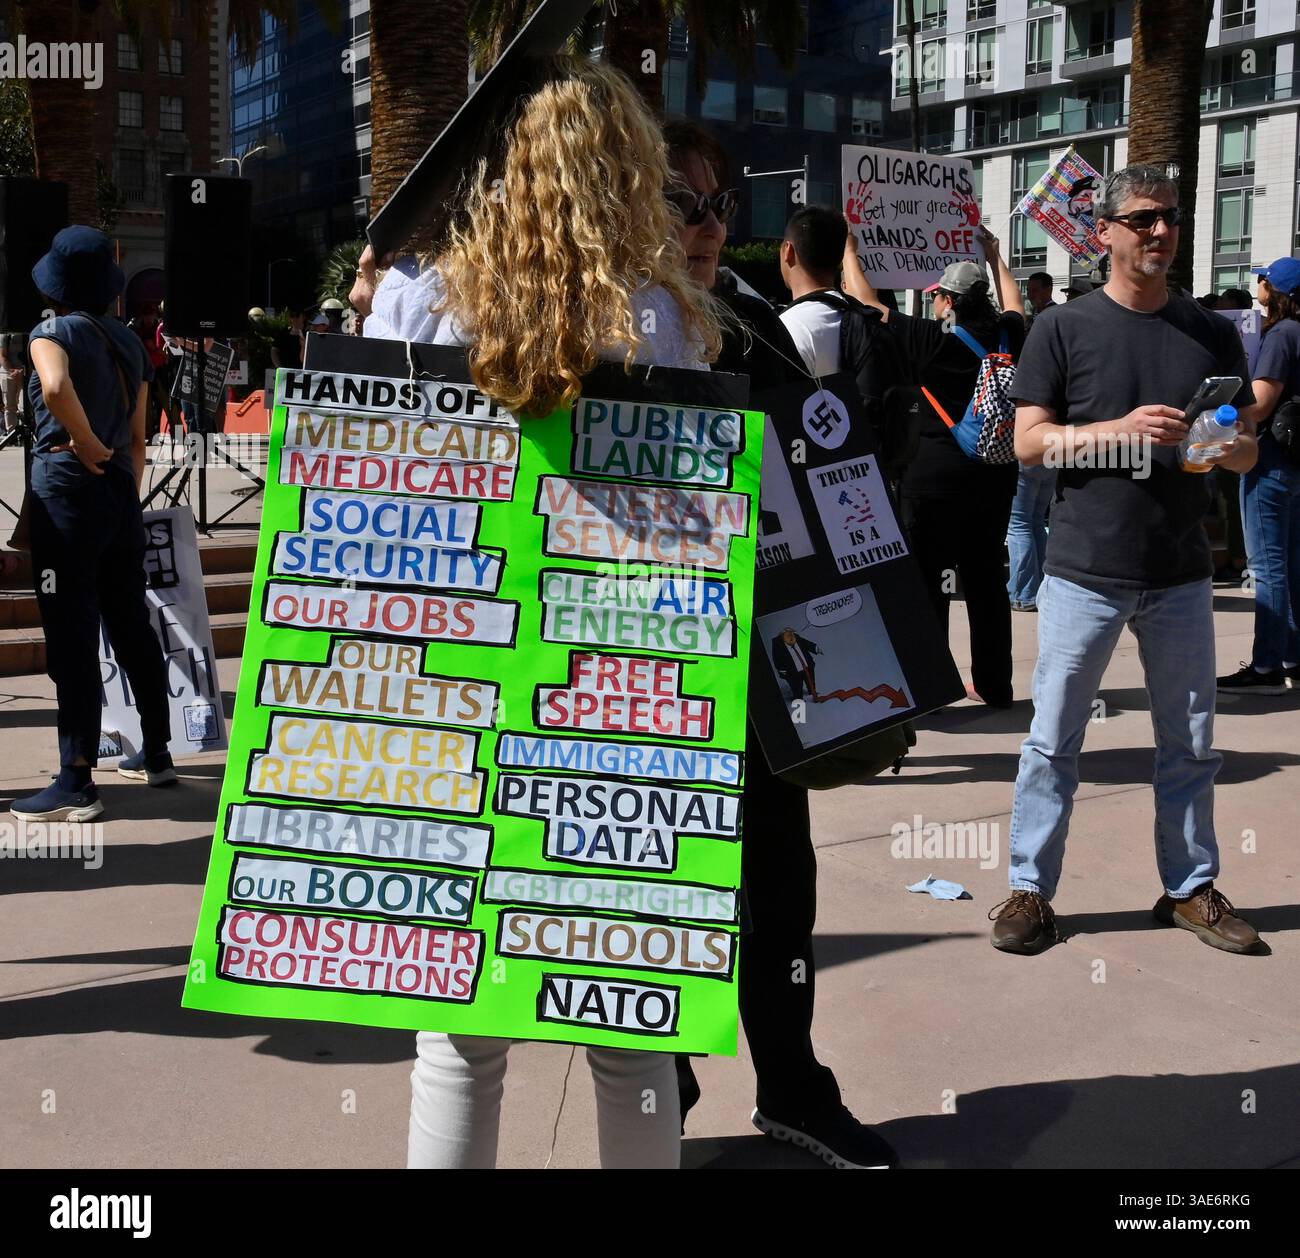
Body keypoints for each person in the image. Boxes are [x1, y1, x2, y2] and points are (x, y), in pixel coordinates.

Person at [366, 58, 721, 1171]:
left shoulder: (421, 300)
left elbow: (375, 477)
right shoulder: (662, 317)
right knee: (627, 1022)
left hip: (455, 676)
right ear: (630, 172)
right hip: (618, 684)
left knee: (458, 1032)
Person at [664, 117, 897, 1170]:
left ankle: (793, 1088)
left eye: (719, 203)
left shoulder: (751, 317)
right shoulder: (588, 325)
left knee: (779, 889)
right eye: (683, 202)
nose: (709, 223)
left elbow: (816, 458)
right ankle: (656, 1085)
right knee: (659, 890)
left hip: (762, 660)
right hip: (639, 674)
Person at [993, 164, 1261, 956]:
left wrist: (1212, 443)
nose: (1160, 231)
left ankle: (1189, 889)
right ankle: (1030, 893)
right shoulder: (1063, 327)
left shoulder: (1210, 332)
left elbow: (1246, 450)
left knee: (1191, 743)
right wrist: (1118, 431)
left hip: (1180, 572)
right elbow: (1028, 443)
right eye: (1143, 219)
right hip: (1085, 570)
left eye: (1170, 217)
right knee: (1053, 738)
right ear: (1104, 233)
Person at [11, 227, 175, 822]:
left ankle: (76, 779)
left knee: (71, 633)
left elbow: (55, 386)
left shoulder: (50, 333)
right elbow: (138, 438)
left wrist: (80, 441)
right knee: (130, 623)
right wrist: (117, 484)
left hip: (67, 494)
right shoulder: (129, 342)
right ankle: (157, 752)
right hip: (118, 495)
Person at [844, 232, 1027, 708]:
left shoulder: (929, 338)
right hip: (994, 476)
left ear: (947, 300)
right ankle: (994, 685)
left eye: (939, 296)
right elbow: (1015, 304)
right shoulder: (1007, 335)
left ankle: (932, 689)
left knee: (930, 584)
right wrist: (995, 255)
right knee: (987, 581)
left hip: (934, 480)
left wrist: (849, 250)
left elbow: (867, 303)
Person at [1217, 256, 1300, 696]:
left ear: (1277, 291)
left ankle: (1266, 665)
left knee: (1267, 567)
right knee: (1292, 565)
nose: (1259, 287)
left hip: (1271, 462)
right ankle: (1292, 658)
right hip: (1295, 461)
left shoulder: (1283, 334)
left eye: (1264, 281)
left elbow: (1262, 404)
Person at [777, 205, 904, 451]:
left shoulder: (788, 327)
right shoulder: (865, 317)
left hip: (814, 463)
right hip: (871, 461)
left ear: (788, 252)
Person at [771, 626, 821, 700]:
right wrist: (781, 669)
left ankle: (812, 692)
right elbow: (776, 658)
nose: (791, 637)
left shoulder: (797, 639)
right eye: (788, 636)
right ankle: (799, 698)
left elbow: (807, 644)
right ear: (783, 637)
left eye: (792, 634)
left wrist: (815, 648)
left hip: (806, 666)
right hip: (793, 671)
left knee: (811, 681)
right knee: (796, 687)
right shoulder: (779, 646)